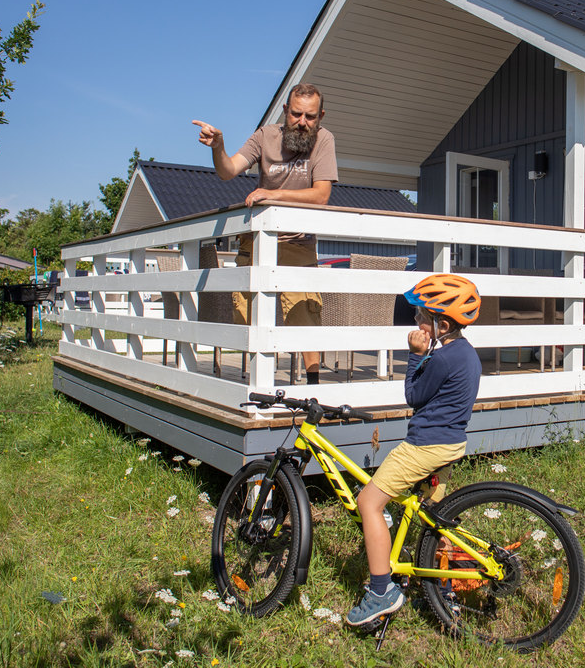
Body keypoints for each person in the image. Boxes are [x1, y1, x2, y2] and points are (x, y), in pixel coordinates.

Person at [344, 273, 483, 627]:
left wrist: (414, 355)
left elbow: (413, 396)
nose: (416, 322)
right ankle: (442, 585)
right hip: (451, 444)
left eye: (423, 316)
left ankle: (380, 593)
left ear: (443, 324)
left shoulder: (442, 358)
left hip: (424, 446)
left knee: (368, 502)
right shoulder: (467, 354)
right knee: (432, 520)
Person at [192, 83, 337, 384]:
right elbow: (228, 170)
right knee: (247, 316)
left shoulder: (323, 140)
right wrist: (219, 147)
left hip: (298, 242)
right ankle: (256, 385)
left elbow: (321, 195)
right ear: (286, 111)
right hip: (256, 241)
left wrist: (272, 195)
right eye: (296, 114)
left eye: (310, 116)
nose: (302, 122)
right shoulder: (264, 137)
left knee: (305, 314)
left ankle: (313, 386)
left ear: (320, 116)